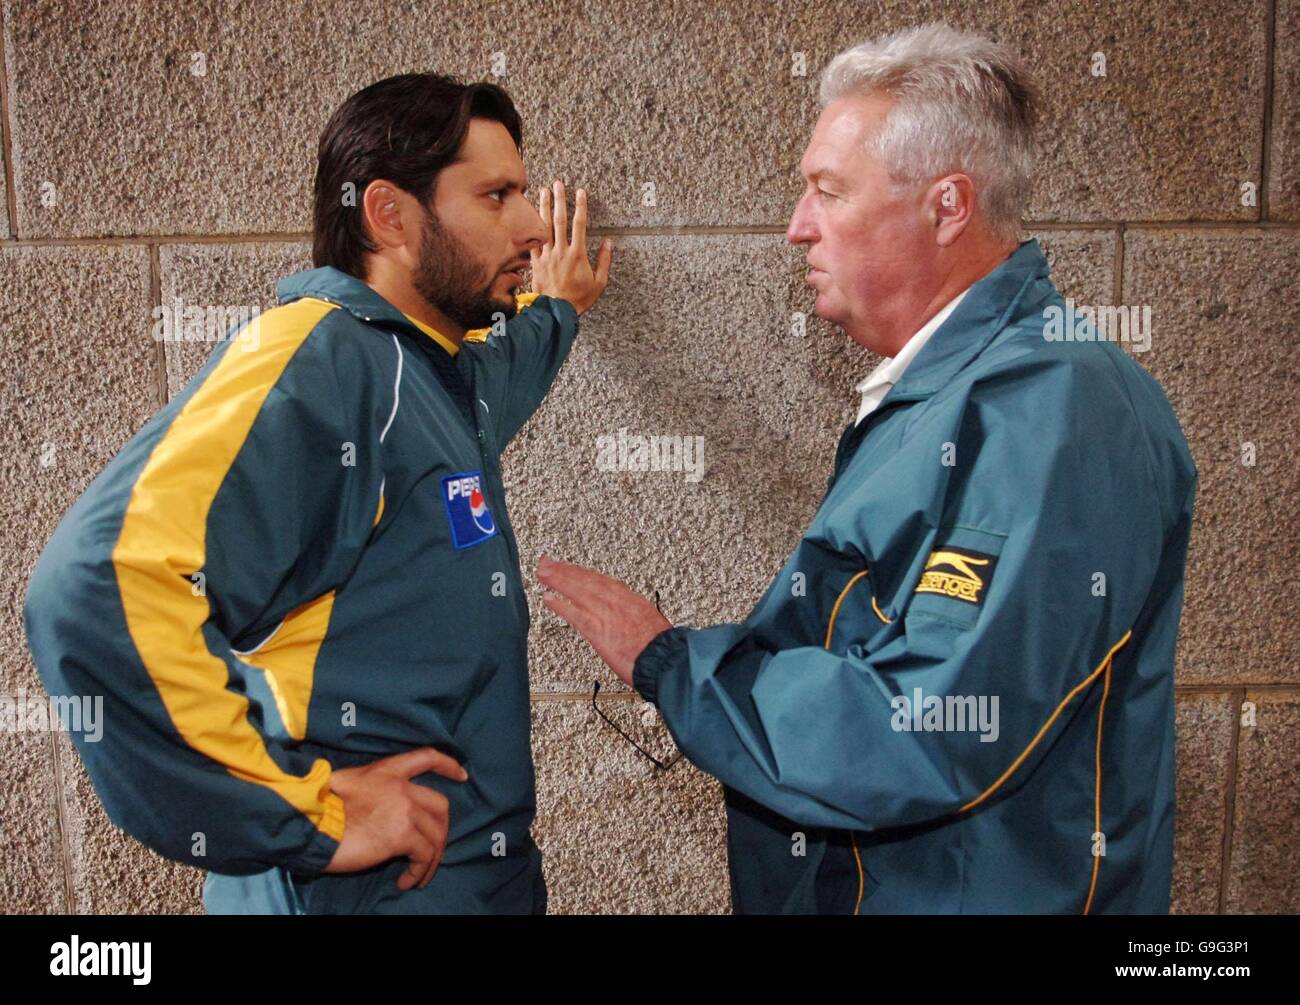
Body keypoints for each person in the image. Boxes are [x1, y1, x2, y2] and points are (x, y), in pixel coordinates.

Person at [538, 23, 1196, 914]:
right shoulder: (955, 390)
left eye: (827, 192)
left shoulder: (1052, 412)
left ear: (946, 205)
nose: (795, 226)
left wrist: (675, 666)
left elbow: (924, 728)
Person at [23, 72, 611, 914]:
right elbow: (96, 587)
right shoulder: (323, 361)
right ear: (389, 216)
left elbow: (502, 380)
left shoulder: (436, 375)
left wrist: (558, 310)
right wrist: (310, 814)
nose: (528, 224)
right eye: (496, 196)